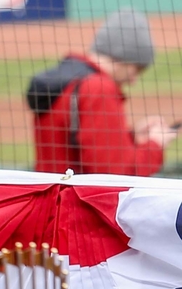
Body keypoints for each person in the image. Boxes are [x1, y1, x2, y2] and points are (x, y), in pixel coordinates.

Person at [29, 9, 175, 176]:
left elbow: (74, 147)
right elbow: (115, 176)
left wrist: (130, 137)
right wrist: (155, 145)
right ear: (123, 57)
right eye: (137, 69)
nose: (133, 80)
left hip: (52, 190)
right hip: (76, 193)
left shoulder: (67, 80)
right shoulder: (98, 88)